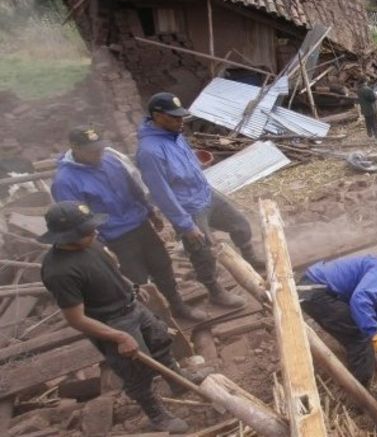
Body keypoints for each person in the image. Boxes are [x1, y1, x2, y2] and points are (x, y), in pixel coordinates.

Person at [39, 201, 191, 432]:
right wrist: (119, 337)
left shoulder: (89, 243)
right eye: (87, 230)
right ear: (66, 236)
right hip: (112, 322)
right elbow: (76, 319)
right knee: (136, 372)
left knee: (160, 342)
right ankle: (157, 415)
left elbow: (111, 269)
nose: (95, 232)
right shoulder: (59, 271)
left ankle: (178, 381)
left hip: (131, 306)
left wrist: (130, 286)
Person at [52, 126, 205, 321]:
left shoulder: (109, 160)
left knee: (162, 266)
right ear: (75, 148)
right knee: (137, 282)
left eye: (100, 148)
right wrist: (102, 249)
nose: (98, 154)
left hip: (140, 225)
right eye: (92, 151)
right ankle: (157, 322)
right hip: (114, 238)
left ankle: (178, 306)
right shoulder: (65, 182)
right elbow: (78, 222)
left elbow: (133, 188)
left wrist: (150, 212)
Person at [136, 92, 255, 309]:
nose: (181, 121)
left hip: (205, 193)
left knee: (240, 224)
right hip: (188, 207)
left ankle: (250, 258)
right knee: (203, 252)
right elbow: (161, 193)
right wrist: (185, 225)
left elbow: (185, 159)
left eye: (181, 116)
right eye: (175, 117)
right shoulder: (149, 152)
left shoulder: (174, 133)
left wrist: (197, 167)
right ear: (157, 116)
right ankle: (215, 291)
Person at [299, 254, 377, 386]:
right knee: (359, 334)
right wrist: (374, 334)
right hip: (314, 289)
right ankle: (361, 388)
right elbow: (360, 299)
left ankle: (365, 371)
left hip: (316, 289)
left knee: (362, 326)